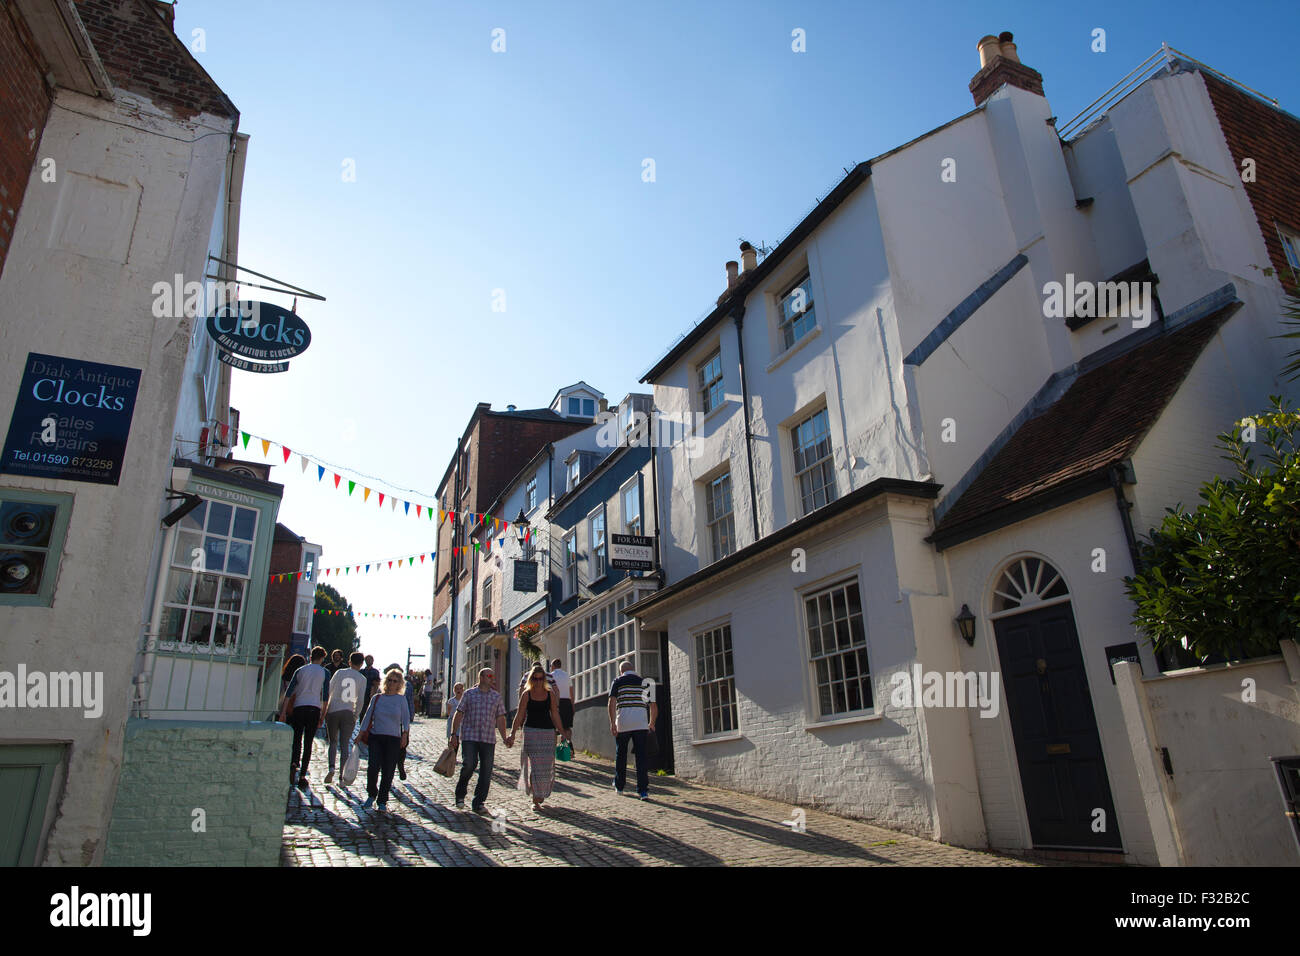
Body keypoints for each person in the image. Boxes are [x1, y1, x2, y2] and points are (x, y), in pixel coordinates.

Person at [509, 664, 570, 812]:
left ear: (544, 679)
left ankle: (540, 792)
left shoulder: (550, 694)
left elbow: (554, 714)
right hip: (531, 732)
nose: (537, 681)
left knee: (546, 767)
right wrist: (513, 732)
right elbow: (520, 714)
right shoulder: (526, 694)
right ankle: (536, 798)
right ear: (531, 679)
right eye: (535, 679)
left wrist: (562, 732)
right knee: (535, 766)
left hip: (547, 733)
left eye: (540, 678)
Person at [449, 668, 511, 813]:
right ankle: (460, 794)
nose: (492, 678)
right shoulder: (469, 694)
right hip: (470, 736)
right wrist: (453, 734)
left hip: (488, 738)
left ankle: (479, 802)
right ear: (481, 677)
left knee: (486, 771)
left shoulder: (496, 697)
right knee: (469, 764)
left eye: (493, 676)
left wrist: (504, 737)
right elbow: (458, 713)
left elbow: (500, 718)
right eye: (489, 676)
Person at [358, 669, 410, 812]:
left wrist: (405, 734)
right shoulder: (377, 698)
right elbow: (368, 716)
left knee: (388, 770)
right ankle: (371, 794)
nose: (392, 683)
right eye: (390, 680)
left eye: (395, 681)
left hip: (393, 738)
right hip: (376, 737)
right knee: (373, 767)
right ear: (385, 681)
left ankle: (382, 800)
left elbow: (406, 718)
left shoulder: (401, 699)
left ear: (399, 683)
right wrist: (360, 734)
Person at [281, 646, 329, 789]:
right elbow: (325, 697)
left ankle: (294, 762)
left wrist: (283, 712)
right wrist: (323, 715)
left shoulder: (300, 670)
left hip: (299, 707)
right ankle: (302, 776)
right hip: (314, 708)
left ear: (310, 657)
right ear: (322, 658)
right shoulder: (325, 672)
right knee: (308, 742)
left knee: (297, 738)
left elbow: (288, 693)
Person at [608, 659, 657, 800]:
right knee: (641, 757)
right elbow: (653, 706)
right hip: (641, 724)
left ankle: (619, 786)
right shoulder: (645, 682)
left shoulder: (617, 681)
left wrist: (612, 723)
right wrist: (651, 723)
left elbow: (611, 702)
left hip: (623, 722)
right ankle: (643, 791)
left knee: (621, 754)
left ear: (621, 671)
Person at [323, 651, 366, 785]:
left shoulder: (339, 673)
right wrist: (356, 715)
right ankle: (342, 775)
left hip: (334, 709)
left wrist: (325, 709)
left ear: (349, 661)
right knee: (345, 744)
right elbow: (360, 700)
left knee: (333, 742)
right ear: (361, 664)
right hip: (348, 711)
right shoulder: (362, 679)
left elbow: (329, 689)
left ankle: (331, 767)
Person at [548, 658, 574, 750]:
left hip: (555, 702)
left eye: (550, 666)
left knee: (554, 728)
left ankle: (554, 750)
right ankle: (567, 748)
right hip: (567, 702)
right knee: (567, 727)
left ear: (553, 666)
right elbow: (571, 691)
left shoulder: (550, 676)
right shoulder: (567, 675)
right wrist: (572, 705)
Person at [359, 654, 382, 723]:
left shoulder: (375, 672)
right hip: (362, 694)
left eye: (370, 660)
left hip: (371, 695)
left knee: (371, 713)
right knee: (362, 714)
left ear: (373, 661)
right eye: (367, 660)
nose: (369, 661)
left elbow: (377, 683)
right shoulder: (361, 671)